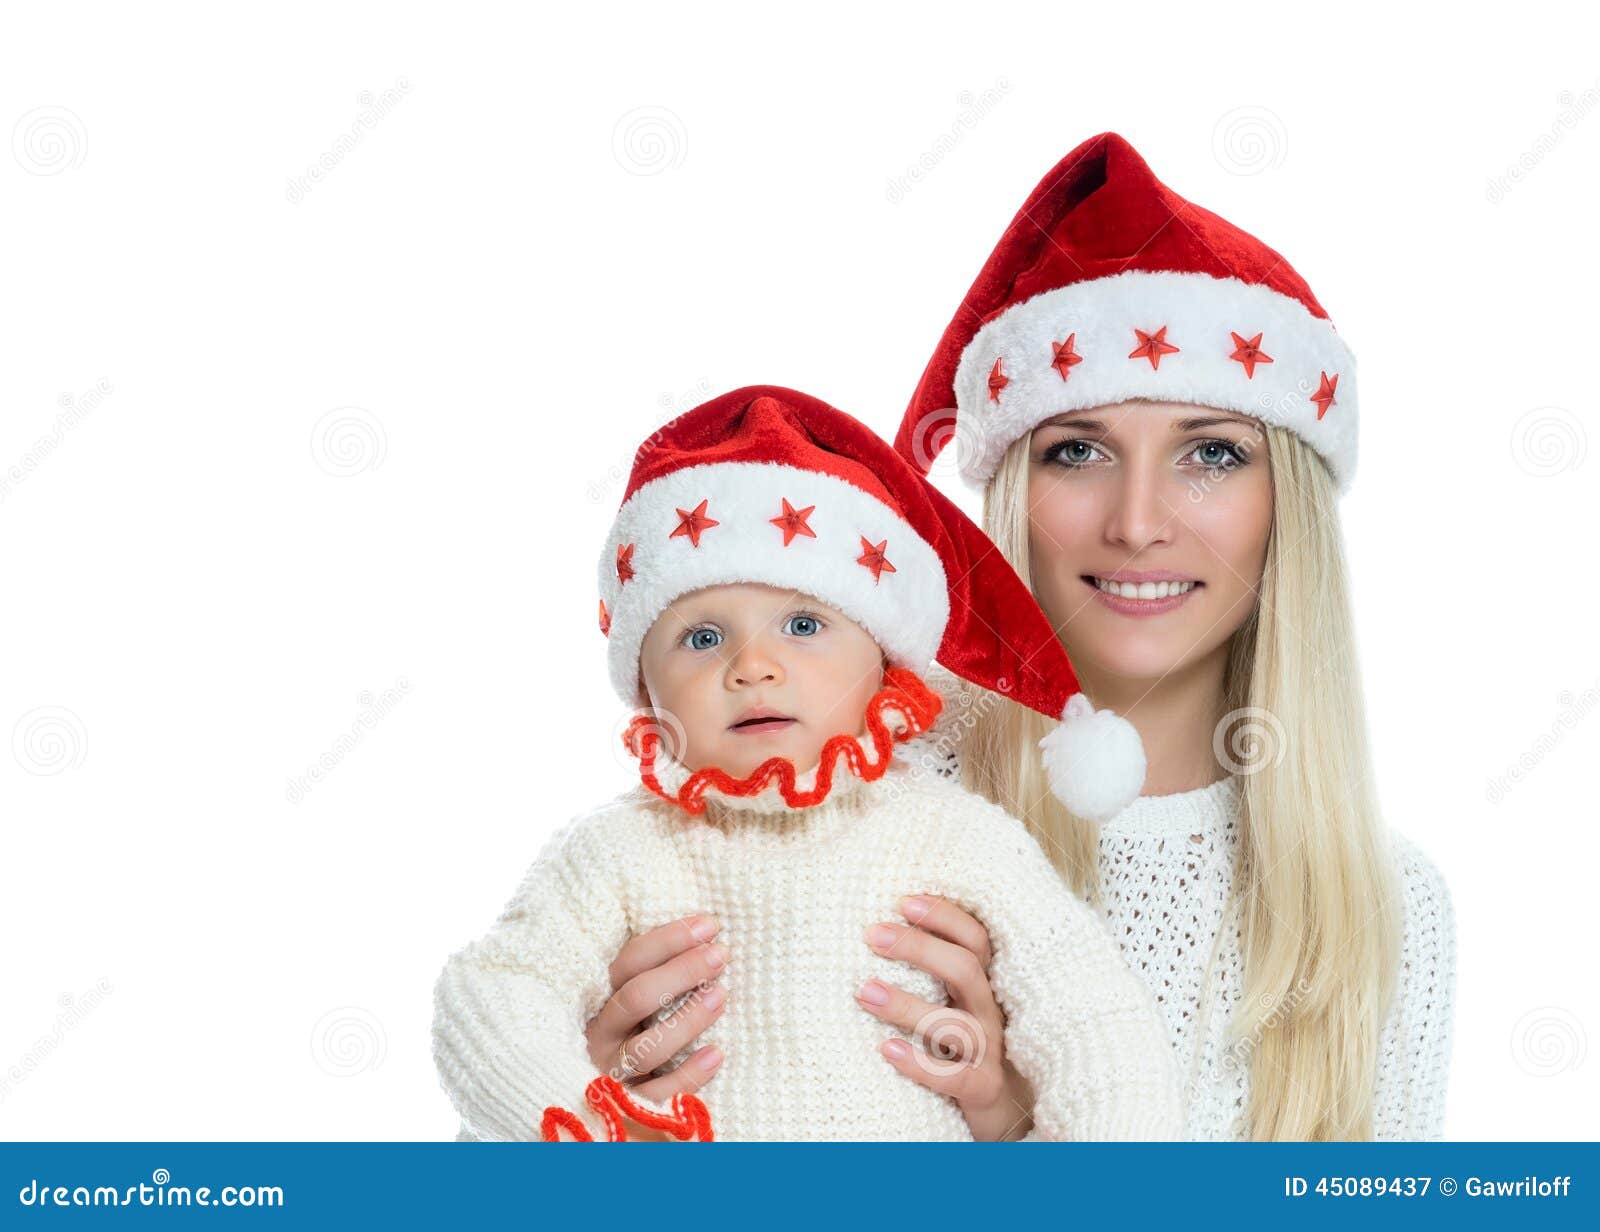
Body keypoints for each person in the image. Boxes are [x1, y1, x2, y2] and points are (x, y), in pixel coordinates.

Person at [432, 385, 1180, 1141]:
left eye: (802, 623)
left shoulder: (952, 835)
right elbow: (494, 993)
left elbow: (1092, 1021)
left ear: (884, 657)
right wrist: (587, 1125)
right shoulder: (617, 854)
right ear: (643, 687)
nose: (753, 666)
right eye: (700, 638)